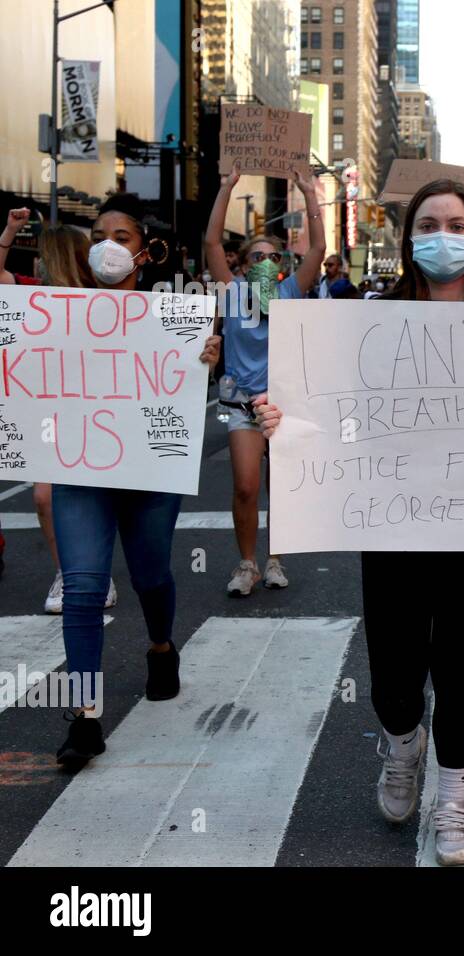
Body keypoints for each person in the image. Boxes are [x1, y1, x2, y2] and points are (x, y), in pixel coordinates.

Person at [256, 178, 464, 866]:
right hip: (393, 525)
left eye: (458, 224)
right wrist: (283, 418)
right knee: (393, 681)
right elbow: (326, 405)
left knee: (459, 670)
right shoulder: (376, 316)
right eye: (430, 223)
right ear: (410, 241)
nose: (445, 235)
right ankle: (403, 745)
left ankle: (455, 799)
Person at [51, 192, 222, 768]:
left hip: (149, 470)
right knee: (81, 586)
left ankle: (160, 646)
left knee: (150, 574)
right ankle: (84, 716)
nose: (106, 246)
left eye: (120, 237)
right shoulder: (61, 314)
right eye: (98, 235)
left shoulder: (172, 318)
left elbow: (192, 371)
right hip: (80, 471)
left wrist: (208, 354)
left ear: (143, 253)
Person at [204, 163, 325, 597]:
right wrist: (226, 188)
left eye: (273, 256)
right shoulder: (232, 291)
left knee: (283, 488)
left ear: (282, 266)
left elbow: (318, 249)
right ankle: (247, 563)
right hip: (240, 406)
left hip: (285, 405)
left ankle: (276, 559)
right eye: (256, 256)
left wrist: (309, 193)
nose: (264, 262)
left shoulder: (292, 291)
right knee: (245, 486)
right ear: (243, 264)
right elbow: (212, 241)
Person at [0, 208, 119, 614]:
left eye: (44, 258)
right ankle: (68, 573)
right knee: (44, 497)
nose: (37, 265)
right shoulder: (32, 295)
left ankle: (93, 571)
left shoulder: (109, 297)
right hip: (47, 411)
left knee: (94, 500)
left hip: (99, 412)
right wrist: (8, 233)